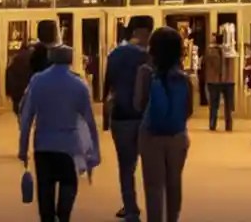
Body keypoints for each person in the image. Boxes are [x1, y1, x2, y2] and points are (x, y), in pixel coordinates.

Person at [19, 45, 100, 222]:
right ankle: (63, 216)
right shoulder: (79, 85)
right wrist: (94, 151)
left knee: (45, 187)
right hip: (69, 144)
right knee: (68, 183)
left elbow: (27, 116)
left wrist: (23, 147)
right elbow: (89, 120)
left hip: (43, 143)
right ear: (71, 59)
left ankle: (47, 218)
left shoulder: (37, 81)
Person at [134, 27, 193, 222]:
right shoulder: (185, 77)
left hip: (151, 135)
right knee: (174, 183)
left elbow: (138, 104)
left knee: (153, 187)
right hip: (177, 135)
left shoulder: (145, 72)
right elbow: (188, 111)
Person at [104, 15, 153, 222]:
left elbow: (108, 85)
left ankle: (131, 208)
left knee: (126, 166)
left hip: (121, 116)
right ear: (141, 32)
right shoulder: (148, 56)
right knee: (151, 166)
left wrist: (106, 118)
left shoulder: (115, 54)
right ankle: (155, 207)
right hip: (146, 117)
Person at [202, 33, 233, 133]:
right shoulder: (228, 50)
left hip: (216, 80)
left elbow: (204, 63)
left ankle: (213, 124)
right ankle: (227, 125)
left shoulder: (210, 51)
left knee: (214, 104)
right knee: (226, 105)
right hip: (226, 80)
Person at [5, 44, 33, 115]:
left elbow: (9, 73)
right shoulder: (33, 58)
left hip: (17, 90)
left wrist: (8, 91)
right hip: (29, 88)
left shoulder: (14, 59)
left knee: (18, 109)